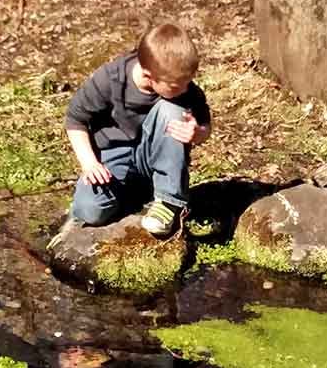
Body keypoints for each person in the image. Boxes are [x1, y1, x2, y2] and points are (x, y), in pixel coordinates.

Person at [54, 22, 211, 241]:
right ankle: (135, 193)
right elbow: (75, 119)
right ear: (148, 75)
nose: (185, 90)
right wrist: (89, 163)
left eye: (187, 83)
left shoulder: (179, 84)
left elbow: (203, 123)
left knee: (172, 110)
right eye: (177, 87)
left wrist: (197, 133)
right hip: (113, 153)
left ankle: (169, 201)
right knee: (88, 211)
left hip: (152, 152)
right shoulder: (109, 79)